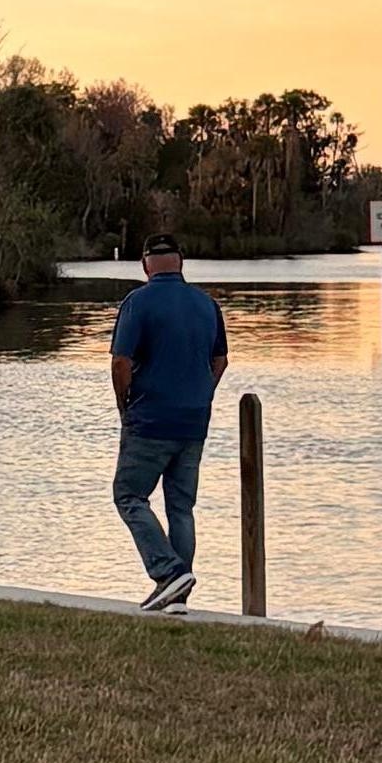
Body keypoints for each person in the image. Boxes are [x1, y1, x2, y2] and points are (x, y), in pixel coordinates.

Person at [105, 229, 229, 610]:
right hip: (193, 423)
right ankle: (178, 595)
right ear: (181, 263)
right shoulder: (207, 304)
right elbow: (220, 360)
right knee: (181, 507)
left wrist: (124, 404)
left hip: (150, 420)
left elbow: (120, 362)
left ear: (145, 265)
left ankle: (168, 572)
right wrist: (202, 394)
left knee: (128, 495)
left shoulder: (137, 303)